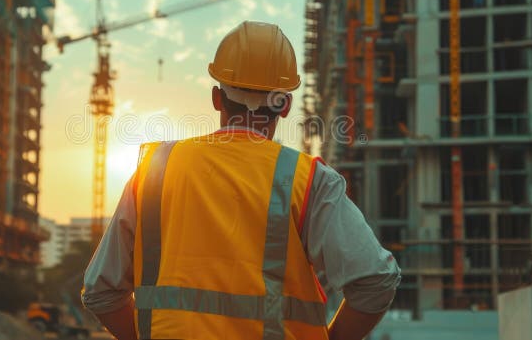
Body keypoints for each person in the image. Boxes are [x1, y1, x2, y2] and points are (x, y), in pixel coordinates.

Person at [82, 21, 401, 340]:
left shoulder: (157, 169)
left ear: (217, 98)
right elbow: (376, 282)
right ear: (285, 105)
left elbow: (101, 291)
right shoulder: (308, 180)